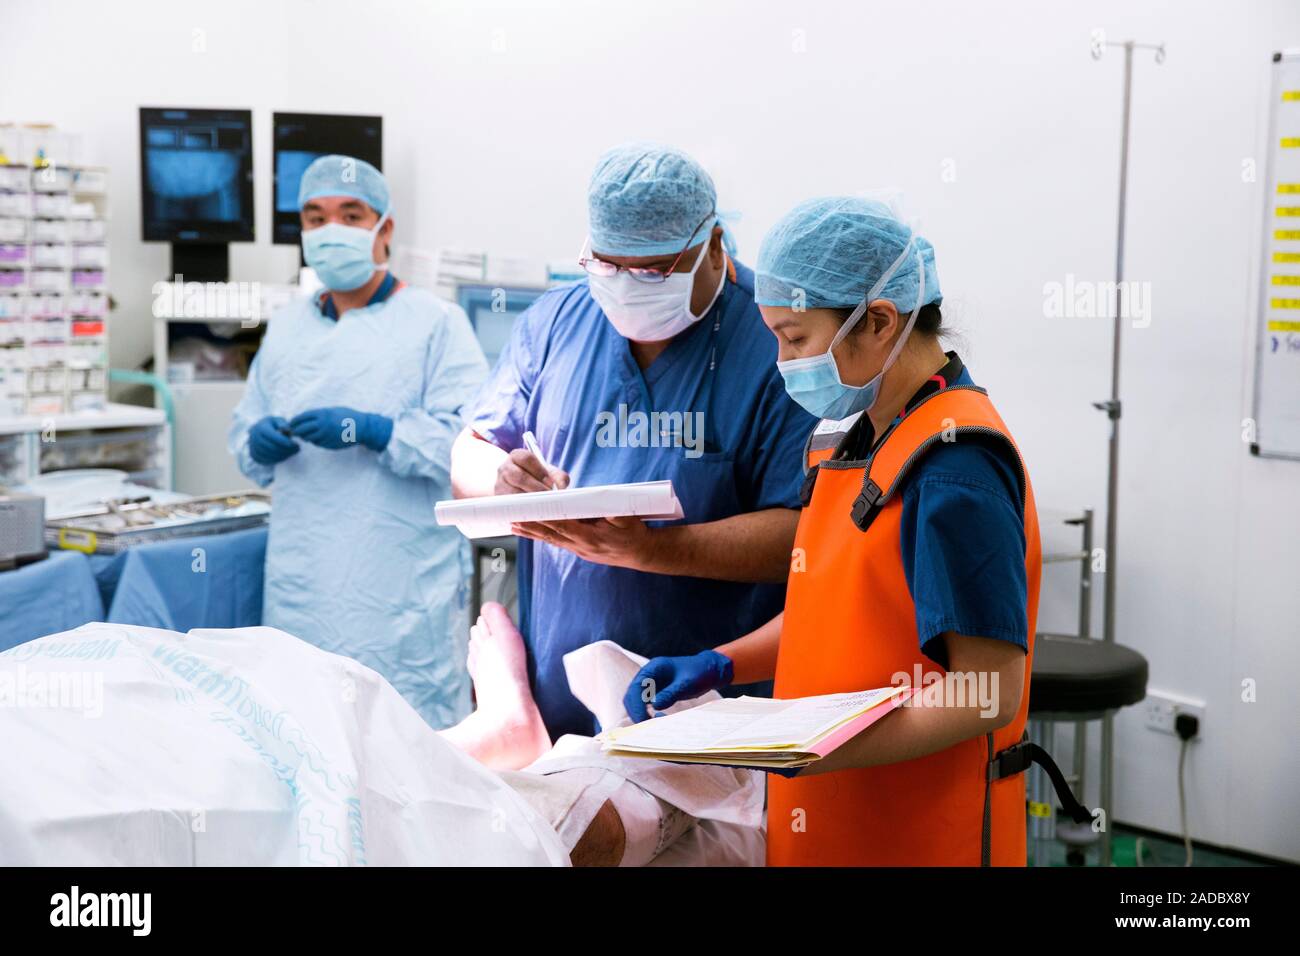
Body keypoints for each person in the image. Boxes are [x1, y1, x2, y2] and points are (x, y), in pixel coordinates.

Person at [623, 196, 1042, 866]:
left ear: (877, 321)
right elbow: (841, 610)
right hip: (832, 827)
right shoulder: (852, 441)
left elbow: (988, 692)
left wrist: (816, 747)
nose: (784, 362)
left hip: (920, 836)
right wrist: (724, 663)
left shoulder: (953, 466)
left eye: (795, 339)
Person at [450, 143, 816, 740]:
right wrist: (501, 479)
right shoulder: (557, 323)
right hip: (562, 714)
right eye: (605, 265)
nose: (625, 288)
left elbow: (808, 537)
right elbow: (471, 448)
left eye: (652, 271)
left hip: (713, 713)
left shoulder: (777, 338)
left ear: (714, 246)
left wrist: (655, 551)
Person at [229, 155, 489, 729]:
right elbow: (244, 432)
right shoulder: (288, 325)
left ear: (385, 228)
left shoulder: (435, 323)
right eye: (315, 217)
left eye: (351, 214)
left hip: (397, 586)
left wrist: (378, 431)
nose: (331, 229)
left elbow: (469, 446)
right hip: (304, 577)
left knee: (403, 744)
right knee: (303, 730)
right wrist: (258, 441)